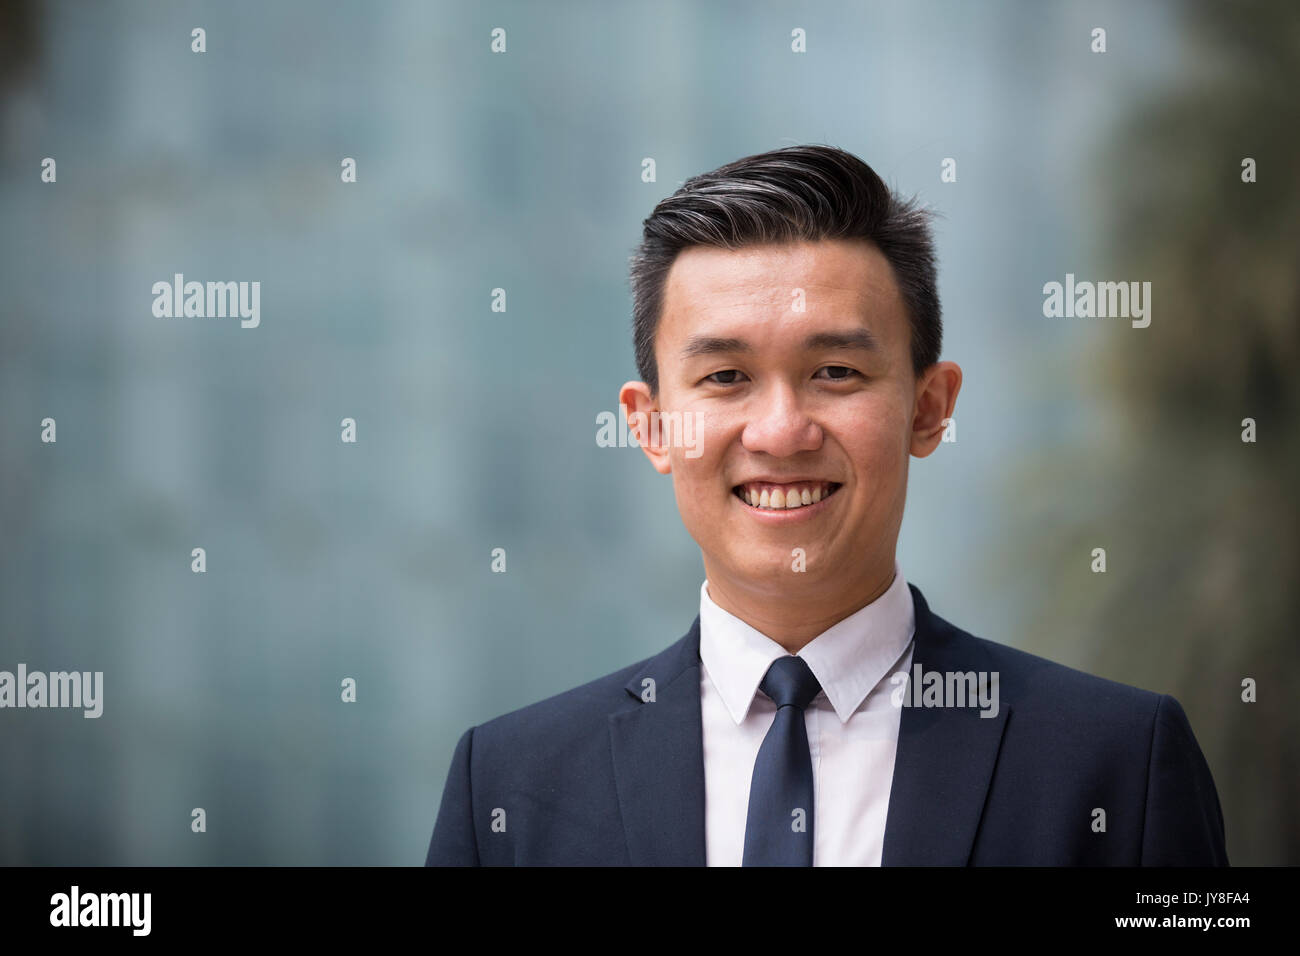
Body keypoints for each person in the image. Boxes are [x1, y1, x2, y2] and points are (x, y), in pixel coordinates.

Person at [424, 144, 1228, 866]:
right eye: (726, 378)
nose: (781, 432)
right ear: (651, 424)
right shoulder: (508, 784)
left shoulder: (1118, 763)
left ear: (928, 407)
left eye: (836, 372)